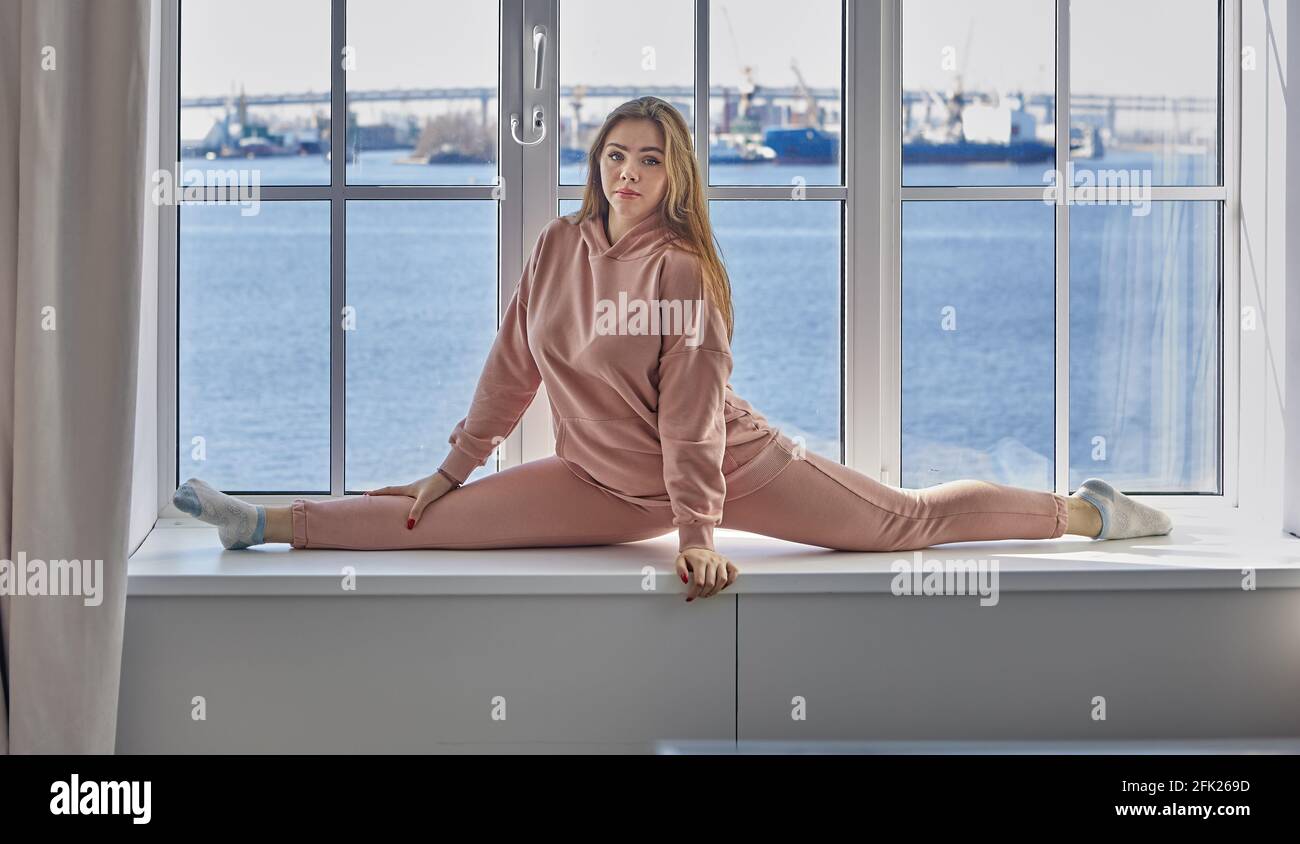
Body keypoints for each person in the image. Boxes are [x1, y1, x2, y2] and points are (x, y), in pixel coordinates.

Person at [174, 96, 1172, 603]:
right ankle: (255, 520)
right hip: (598, 481)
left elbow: (693, 419)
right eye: (615, 155)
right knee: (432, 515)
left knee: (903, 523)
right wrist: (450, 467)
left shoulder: (681, 271)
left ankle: (1090, 511)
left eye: (650, 160)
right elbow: (511, 370)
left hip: (726, 469)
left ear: (674, 174)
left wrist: (697, 533)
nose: (629, 172)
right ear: (596, 164)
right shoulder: (559, 247)